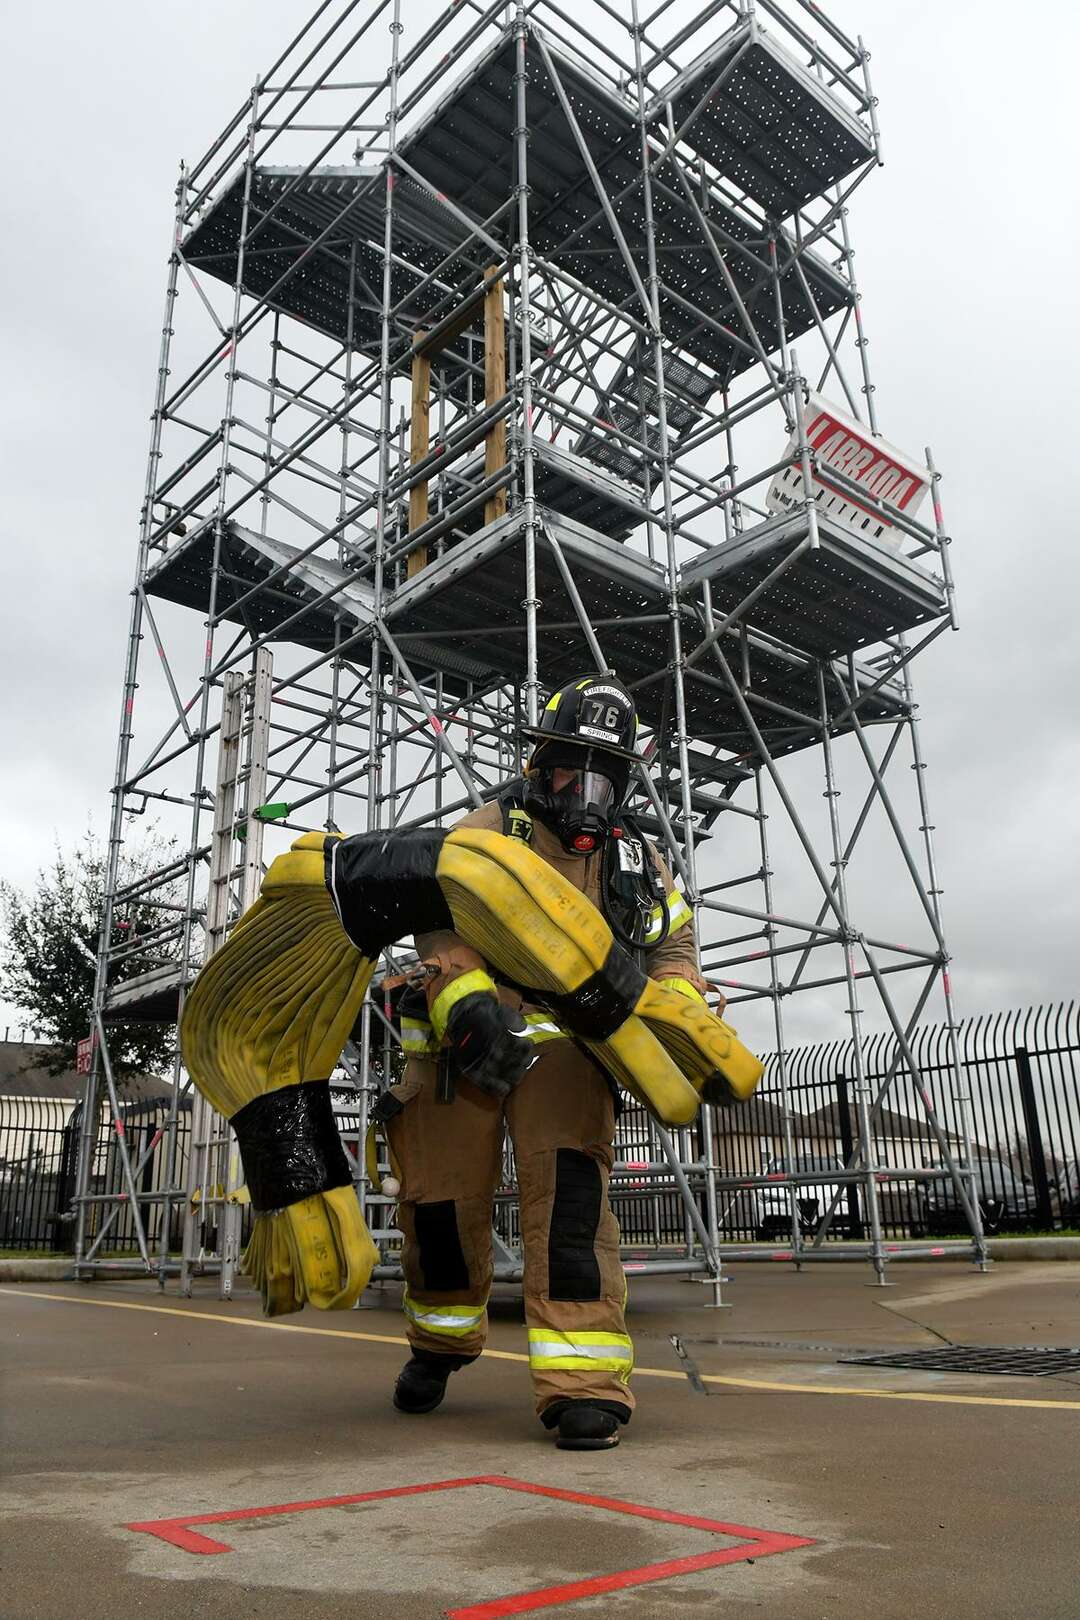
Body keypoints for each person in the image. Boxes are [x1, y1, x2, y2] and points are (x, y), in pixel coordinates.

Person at [379, 674, 708, 1450]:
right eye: (573, 766)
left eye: (606, 773)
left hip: (569, 1053)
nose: (587, 789)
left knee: (570, 1211)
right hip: (463, 1048)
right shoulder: (493, 827)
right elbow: (433, 911)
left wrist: (681, 1000)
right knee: (439, 1207)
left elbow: (675, 945)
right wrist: (465, 992)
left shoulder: (637, 862)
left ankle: (584, 1385)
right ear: (542, 763)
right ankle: (438, 1343)